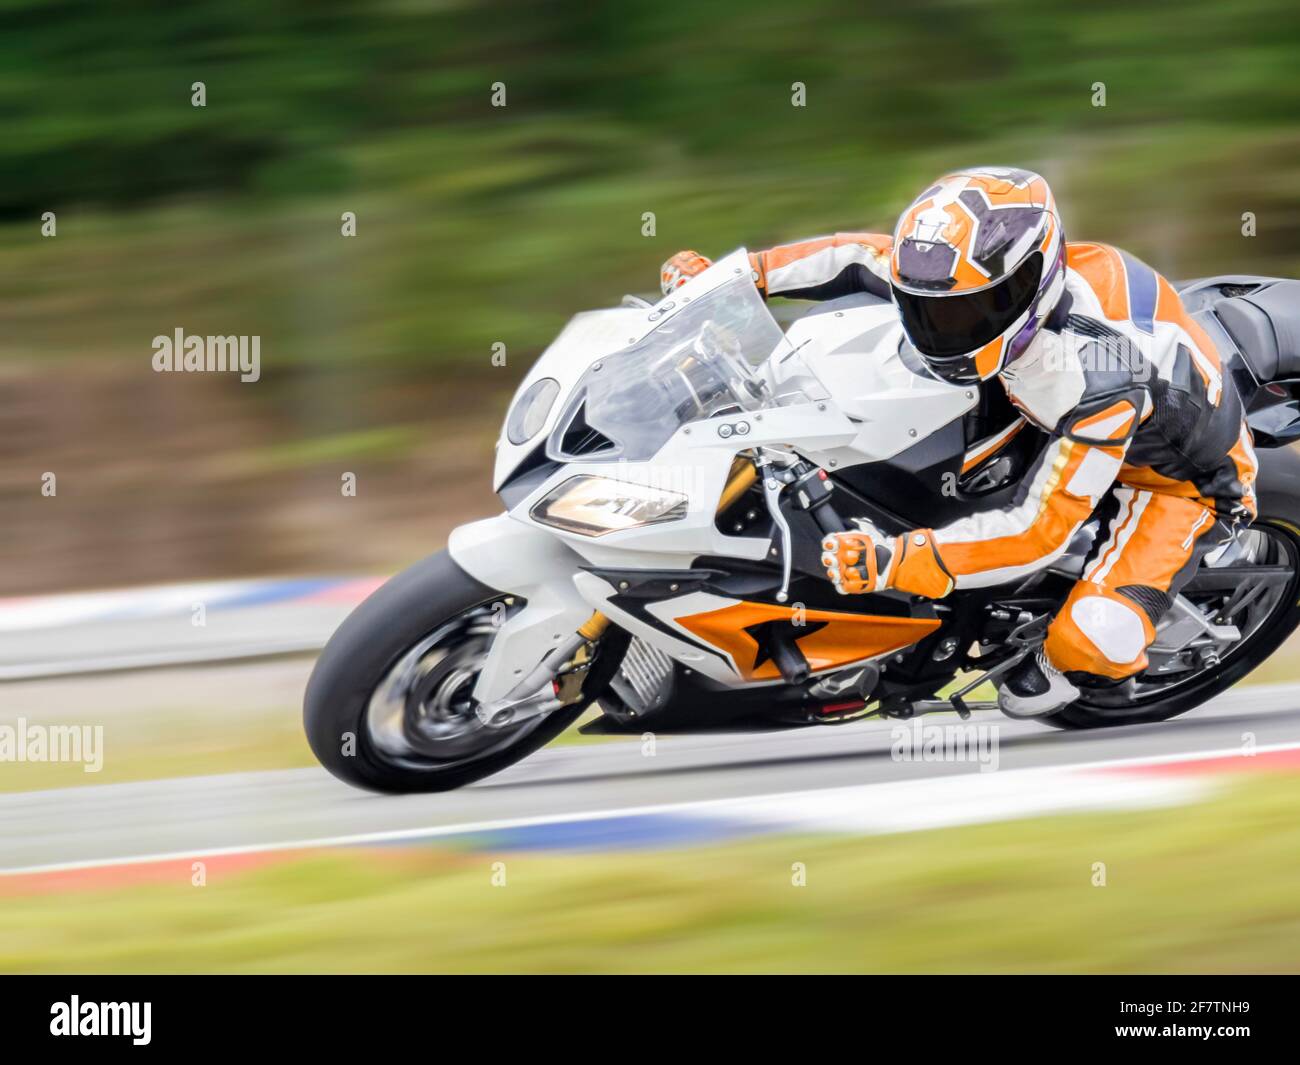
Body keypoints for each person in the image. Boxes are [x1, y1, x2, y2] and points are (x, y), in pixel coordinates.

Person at [659, 167, 1258, 716]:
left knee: (1090, 642)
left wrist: (898, 560)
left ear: (1027, 286)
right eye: (924, 310)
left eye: (960, 315)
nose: (936, 329)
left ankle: (1094, 664)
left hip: (1173, 481)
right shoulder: (979, 277)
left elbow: (1035, 531)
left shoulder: (1096, 380)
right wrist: (731, 280)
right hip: (1046, 391)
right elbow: (856, 255)